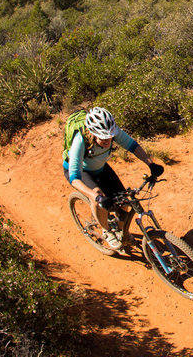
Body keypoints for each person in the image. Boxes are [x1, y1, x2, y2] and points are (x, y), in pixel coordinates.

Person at [63, 106, 164, 250]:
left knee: (123, 200)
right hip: (81, 172)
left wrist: (151, 164)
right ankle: (107, 230)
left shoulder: (112, 131)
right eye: (103, 137)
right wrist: (96, 197)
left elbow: (132, 146)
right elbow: (74, 177)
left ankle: (123, 232)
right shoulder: (80, 140)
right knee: (99, 199)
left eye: (109, 136)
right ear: (92, 133)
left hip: (100, 168)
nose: (107, 140)